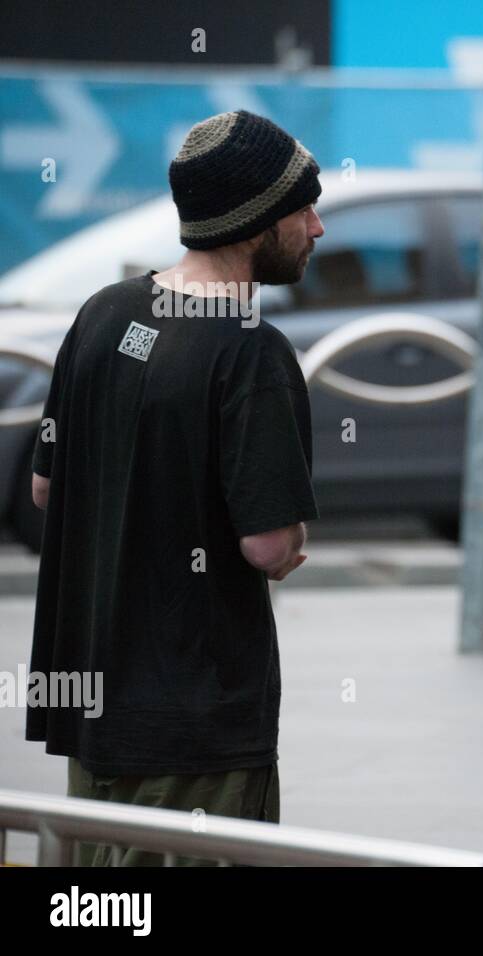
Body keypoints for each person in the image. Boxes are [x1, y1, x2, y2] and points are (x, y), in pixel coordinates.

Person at [26, 110, 324, 865]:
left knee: (98, 911)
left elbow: (43, 490)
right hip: (198, 728)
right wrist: (295, 540)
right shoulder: (250, 351)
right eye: (302, 208)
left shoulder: (103, 313)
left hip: (93, 715)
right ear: (254, 221)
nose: (317, 228)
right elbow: (267, 545)